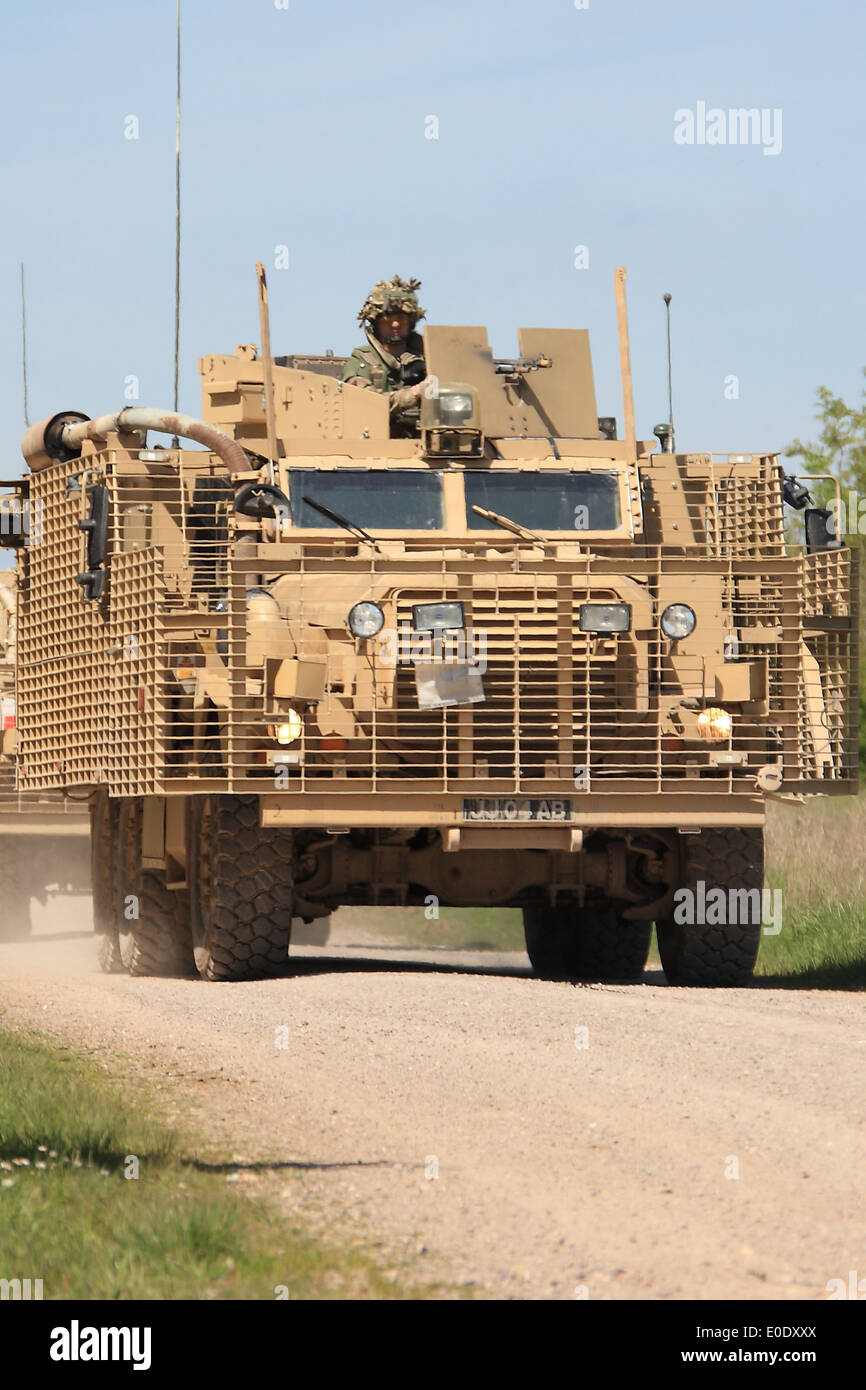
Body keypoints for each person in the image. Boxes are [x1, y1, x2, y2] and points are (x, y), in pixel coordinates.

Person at [342, 275, 433, 426]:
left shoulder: (428, 358)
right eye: (388, 319)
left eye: (402, 319)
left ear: (411, 323)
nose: (395, 324)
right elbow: (365, 404)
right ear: (376, 322)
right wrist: (414, 393)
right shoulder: (363, 359)